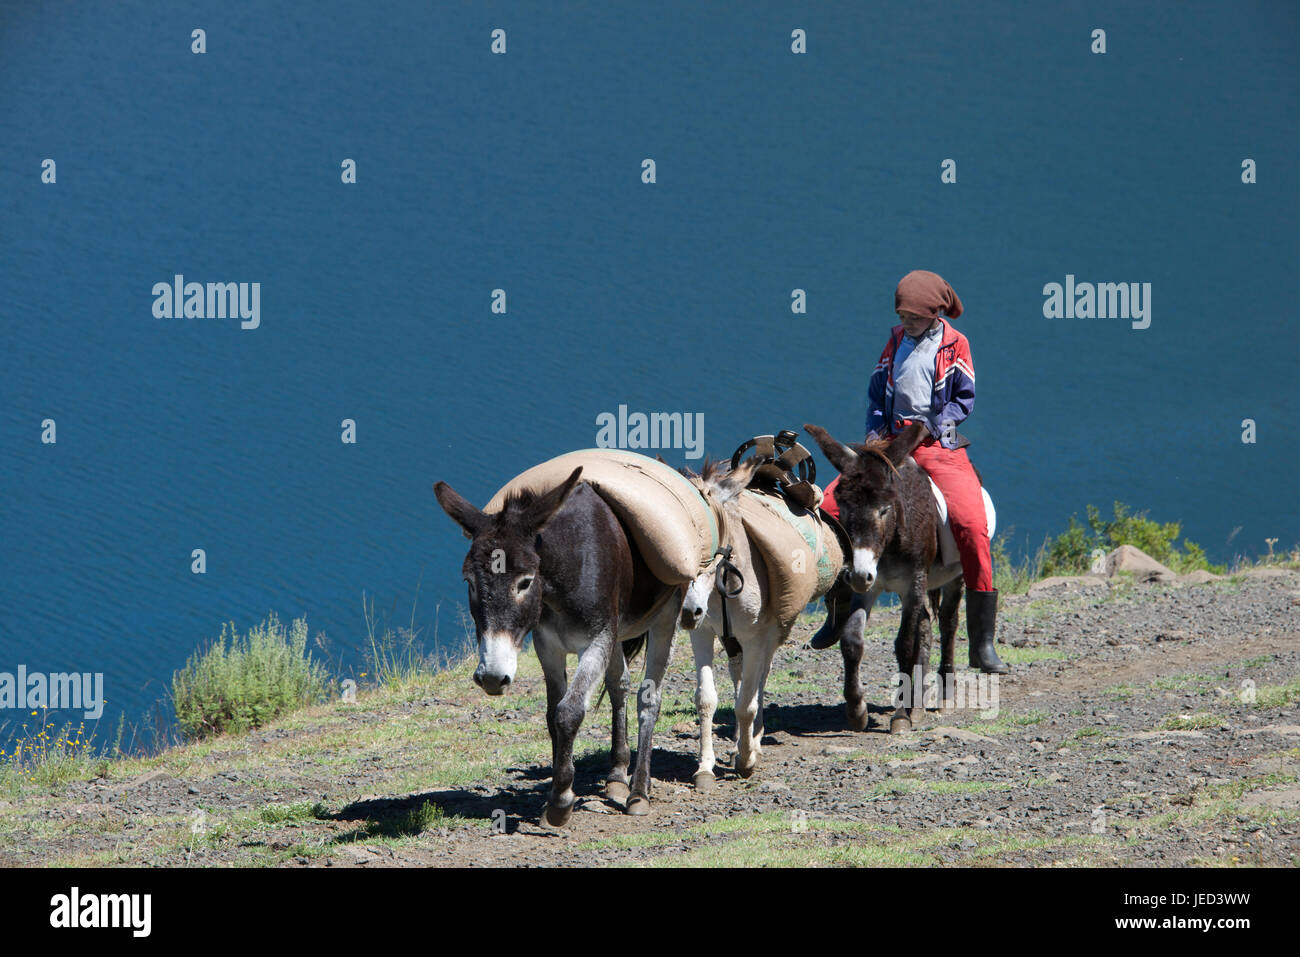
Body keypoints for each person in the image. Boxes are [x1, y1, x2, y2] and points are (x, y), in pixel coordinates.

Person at [809, 269, 1008, 674]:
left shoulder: (957, 345)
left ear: (936, 313)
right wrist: (873, 436)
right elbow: (877, 392)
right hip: (889, 443)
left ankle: (982, 642)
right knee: (831, 506)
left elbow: (963, 400)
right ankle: (837, 609)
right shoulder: (896, 340)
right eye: (902, 316)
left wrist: (933, 425)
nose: (907, 323)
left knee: (970, 524)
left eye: (914, 317)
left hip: (938, 442)